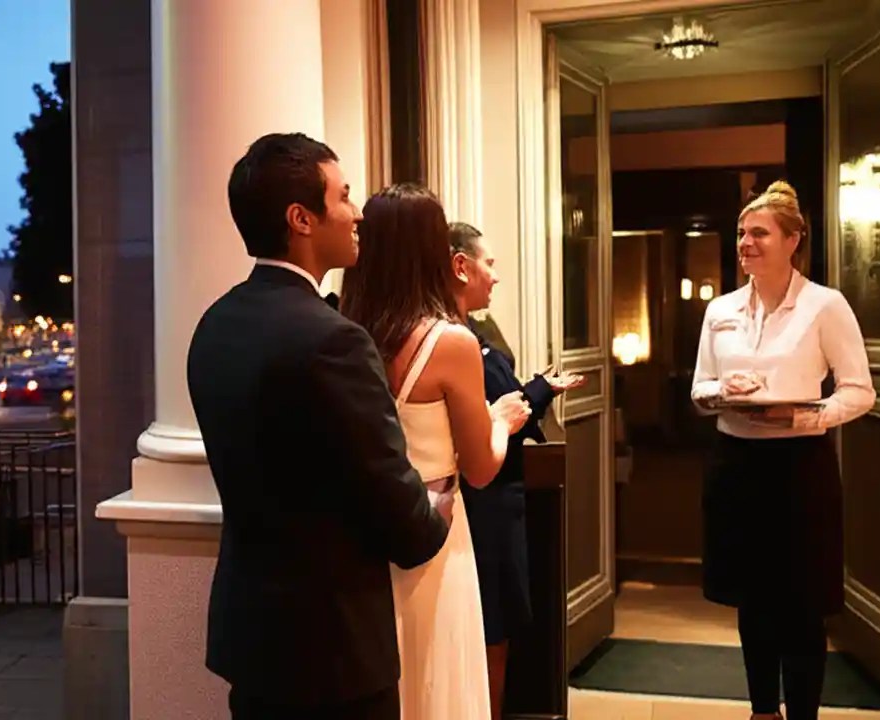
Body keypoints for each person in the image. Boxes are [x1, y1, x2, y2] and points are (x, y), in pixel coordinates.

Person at [187, 134, 452, 720]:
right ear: (301, 219)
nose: (359, 213)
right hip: (332, 652)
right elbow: (389, 493)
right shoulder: (333, 339)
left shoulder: (215, 324)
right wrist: (434, 510)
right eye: (345, 196)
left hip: (251, 638)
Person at [340, 184, 532, 720]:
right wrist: (501, 420)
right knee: (437, 677)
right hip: (436, 535)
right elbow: (480, 466)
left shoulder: (345, 331)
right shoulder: (449, 341)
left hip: (363, 540)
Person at [690, 181, 875, 720]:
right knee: (753, 600)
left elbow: (859, 391)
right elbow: (700, 387)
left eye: (759, 233)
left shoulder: (825, 305)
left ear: (794, 240)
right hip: (736, 464)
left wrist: (803, 415)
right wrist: (725, 395)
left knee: (801, 605)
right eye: (741, 233)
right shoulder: (720, 309)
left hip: (800, 469)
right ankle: (762, 711)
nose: (745, 242)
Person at [446, 221, 585, 719]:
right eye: (490, 264)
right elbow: (497, 417)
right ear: (460, 266)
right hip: (481, 505)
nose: (495, 277)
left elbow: (505, 403)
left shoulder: (475, 332)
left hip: (497, 502)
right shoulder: (452, 339)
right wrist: (536, 394)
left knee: (495, 632)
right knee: (488, 635)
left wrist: (531, 393)